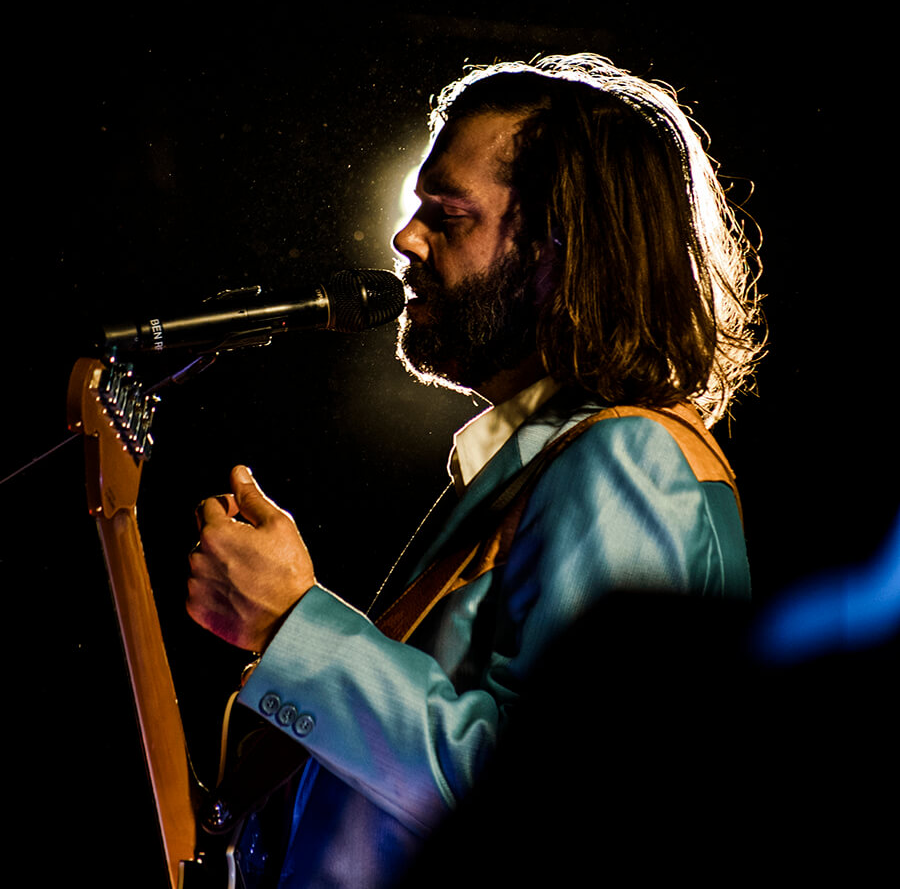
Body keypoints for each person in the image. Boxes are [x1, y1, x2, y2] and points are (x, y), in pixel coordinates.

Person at [186, 53, 764, 887]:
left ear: (556, 249)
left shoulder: (629, 458)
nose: (404, 239)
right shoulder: (532, 467)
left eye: (447, 215)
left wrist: (295, 628)